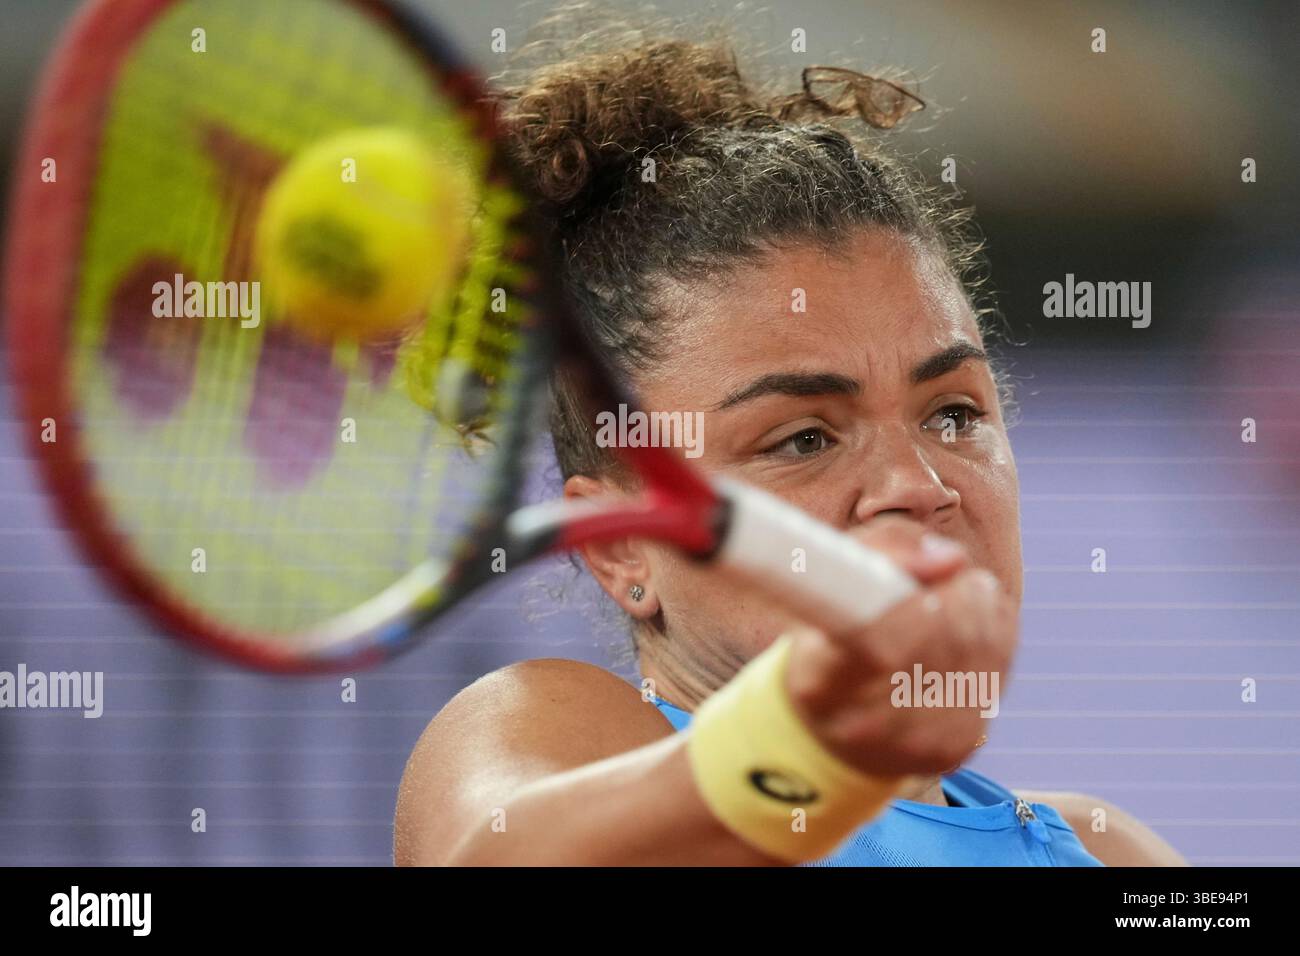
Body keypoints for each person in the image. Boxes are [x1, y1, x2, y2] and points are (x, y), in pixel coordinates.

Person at [393, 28, 1187, 867]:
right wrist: (812, 743)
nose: (917, 486)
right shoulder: (546, 728)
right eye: (803, 437)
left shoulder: (1113, 856)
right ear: (625, 541)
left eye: (954, 415)